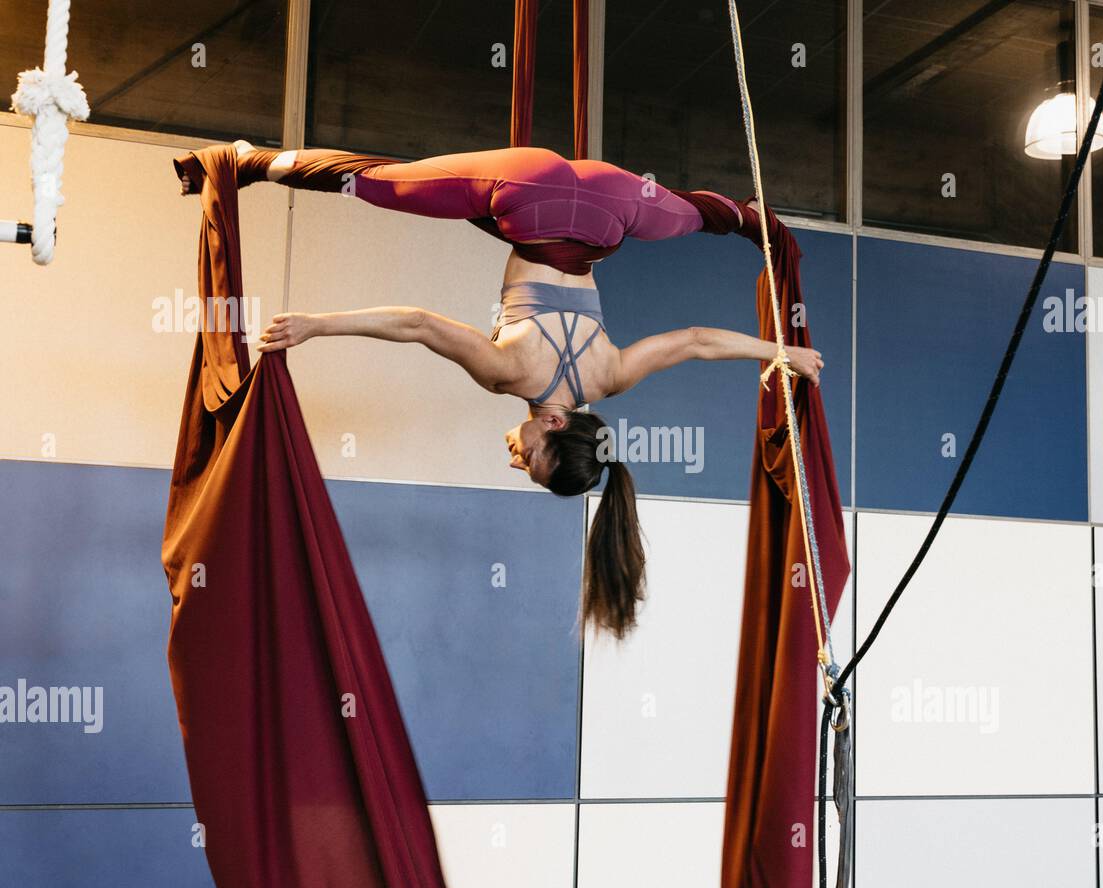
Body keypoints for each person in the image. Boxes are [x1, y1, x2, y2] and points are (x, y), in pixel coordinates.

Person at [179, 141, 824, 637]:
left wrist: (784, 353)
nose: (514, 459)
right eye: (531, 464)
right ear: (550, 429)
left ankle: (753, 220)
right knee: (378, 181)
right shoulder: (506, 375)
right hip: (529, 191)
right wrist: (317, 326)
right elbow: (418, 324)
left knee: (707, 217)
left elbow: (694, 341)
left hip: (613, 207)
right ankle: (246, 161)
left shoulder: (610, 376)